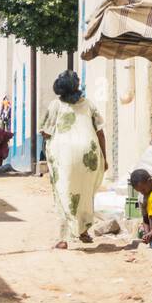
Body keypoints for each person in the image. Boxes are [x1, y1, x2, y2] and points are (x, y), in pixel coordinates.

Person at [39, 70, 107, 249]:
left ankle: (63, 238)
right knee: (85, 193)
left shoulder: (55, 105)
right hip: (89, 153)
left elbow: (45, 131)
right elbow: (100, 132)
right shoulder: (89, 104)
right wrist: (104, 158)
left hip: (64, 155)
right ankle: (84, 231)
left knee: (64, 194)